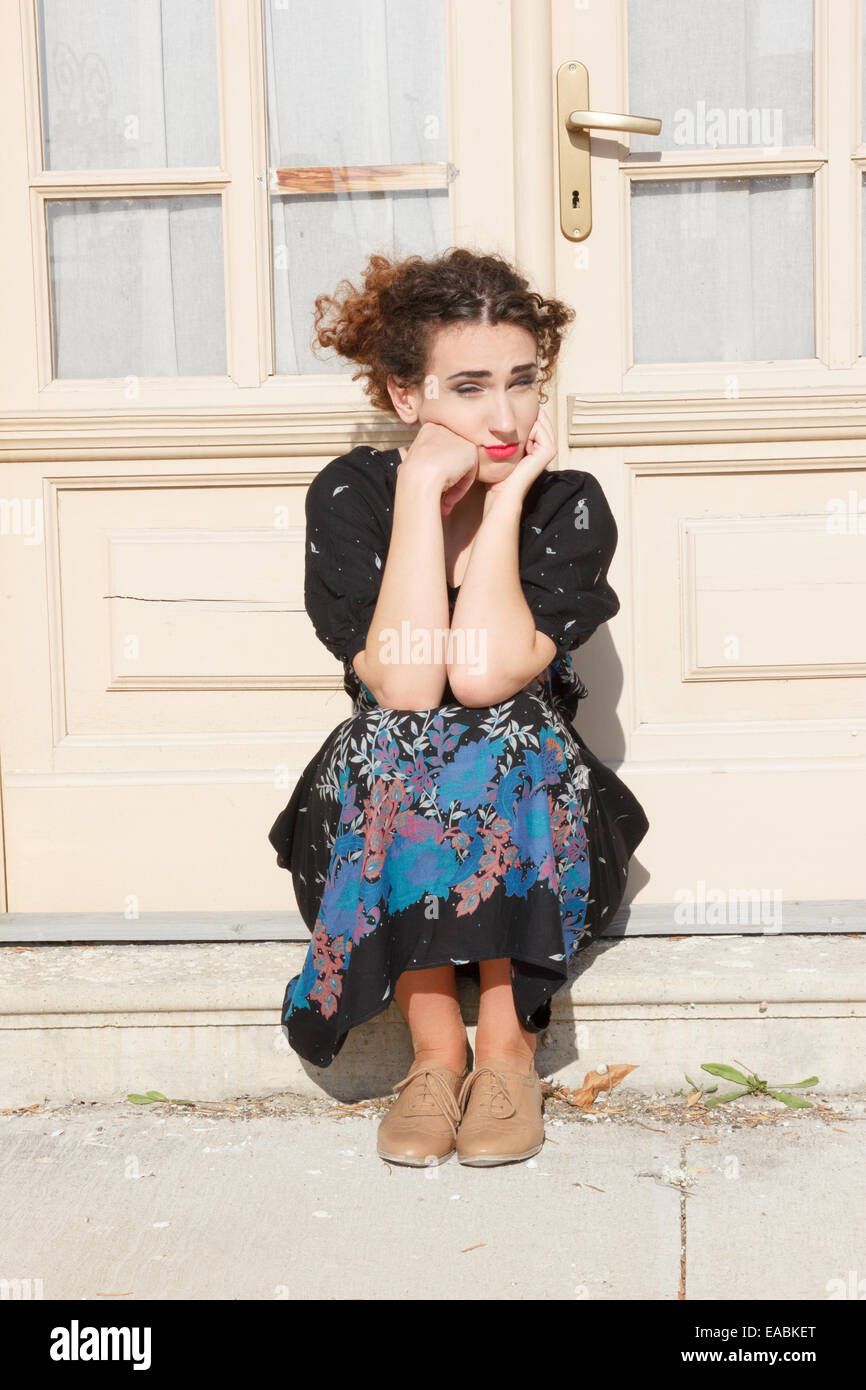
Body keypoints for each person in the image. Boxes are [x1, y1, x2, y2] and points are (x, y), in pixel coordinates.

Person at [268, 247, 649, 1168]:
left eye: (523, 382)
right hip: (382, 789)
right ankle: (435, 1056)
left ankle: (507, 1050)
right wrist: (415, 496)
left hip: (536, 804)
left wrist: (509, 493)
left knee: (499, 729)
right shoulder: (355, 494)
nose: (507, 414)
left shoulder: (567, 505)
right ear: (409, 398)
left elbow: (481, 674)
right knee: (397, 735)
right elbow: (403, 680)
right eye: (471, 387)